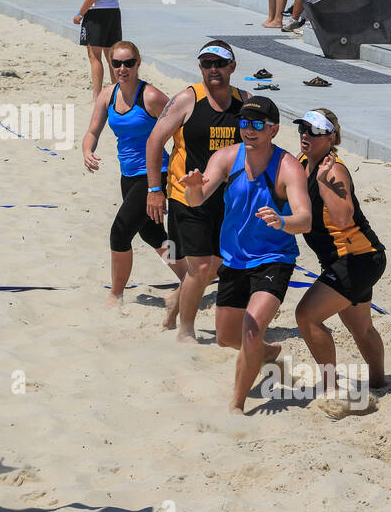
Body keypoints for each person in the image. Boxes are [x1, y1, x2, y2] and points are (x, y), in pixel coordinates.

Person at [179, 96, 311, 414]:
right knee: (226, 337)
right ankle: (265, 352)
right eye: (243, 123)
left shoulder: (288, 166)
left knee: (251, 328)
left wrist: (282, 221)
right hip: (235, 259)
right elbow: (196, 201)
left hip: (274, 258)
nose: (248, 130)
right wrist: (193, 187)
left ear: (273, 130)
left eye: (256, 125)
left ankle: (236, 406)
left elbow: (304, 220)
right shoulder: (226, 157)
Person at [145, 41, 249, 342]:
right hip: (187, 197)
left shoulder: (245, 102)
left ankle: (177, 300)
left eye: (219, 63)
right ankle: (186, 331)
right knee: (201, 266)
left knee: (214, 266)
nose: (213, 69)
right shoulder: (186, 100)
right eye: (206, 63)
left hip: (228, 200)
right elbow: (154, 142)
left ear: (232, 66)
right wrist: (154, 189)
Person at [82, 40, 189, 306]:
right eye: (116, 63)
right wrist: (87, 151)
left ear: (138, 63)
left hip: (155, 174)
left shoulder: (150, 96)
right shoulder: (107, 95)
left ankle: (115, 294)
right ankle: (190, 280)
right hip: (128, 175)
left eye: (128, 63)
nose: (122, 68)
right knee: (152, 234)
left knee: (120, 232)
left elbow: (182, 126)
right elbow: (93, 131)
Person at [291, 108, 386, 391]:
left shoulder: (334, 171)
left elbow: (343, 217)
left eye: (314, 130)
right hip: (347, 259)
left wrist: (322, 183)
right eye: (302, 128)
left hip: (357, 259)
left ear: (330, 137)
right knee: (360, 328)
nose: (305, 135)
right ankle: (380, 383)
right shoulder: (303, 161)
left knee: (306, 315)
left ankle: (331, 389)